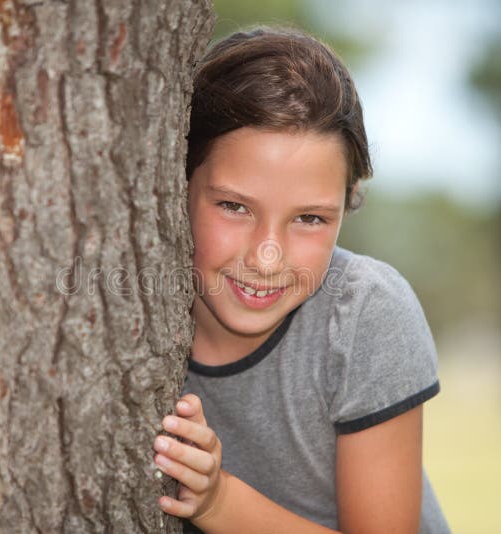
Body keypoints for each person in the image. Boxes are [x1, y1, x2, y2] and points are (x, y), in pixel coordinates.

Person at [152, 26, 451, 533]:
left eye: (309, 218)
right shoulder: (139, 313)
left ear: (346, 205)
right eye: (234, 206)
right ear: (175, 183)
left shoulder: (363, 316)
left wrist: (219, 502)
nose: (267, 257)